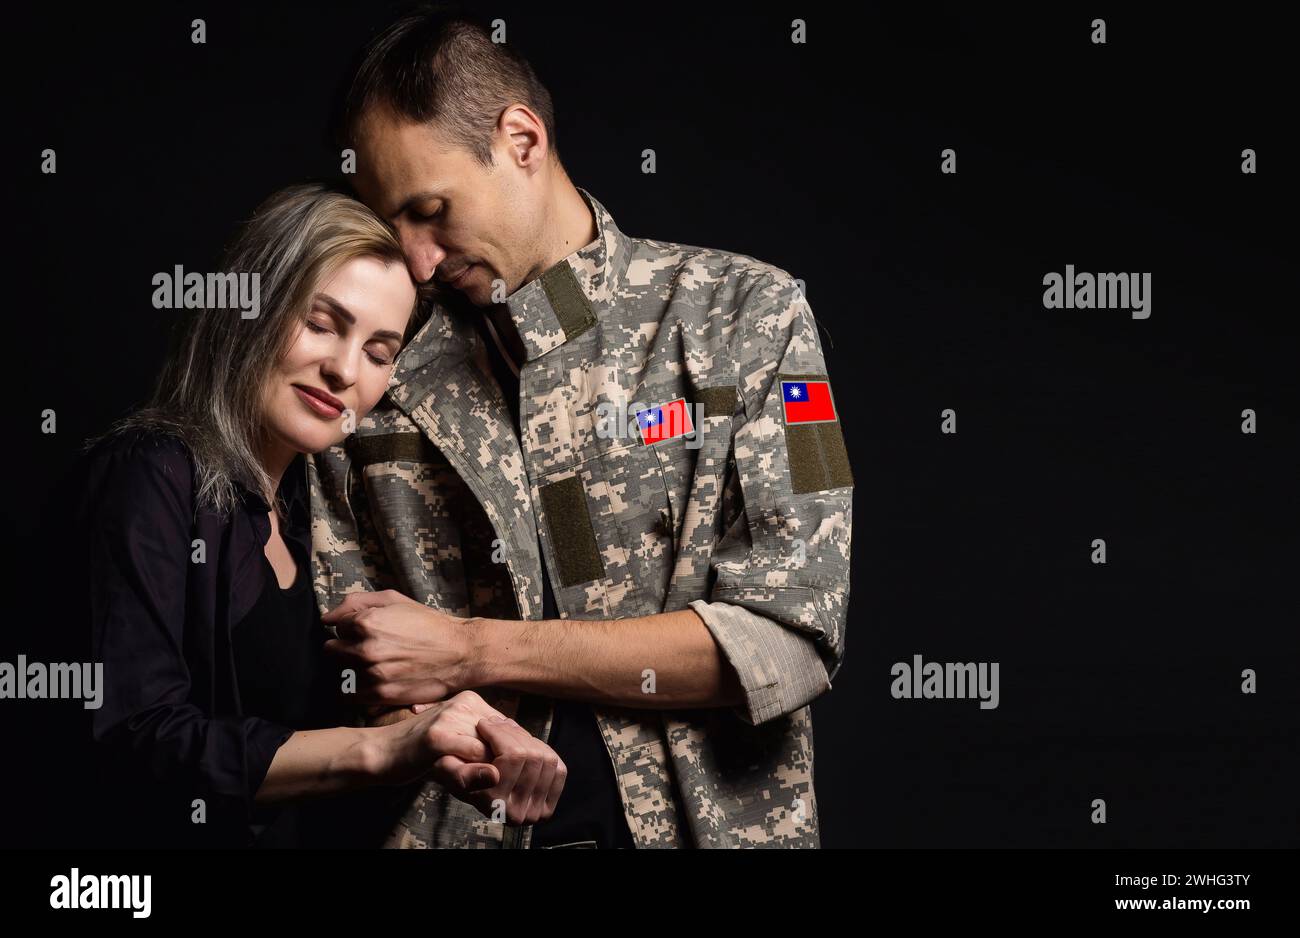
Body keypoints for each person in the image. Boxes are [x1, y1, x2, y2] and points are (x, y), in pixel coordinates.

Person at [309, 11, 854, 848]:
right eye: (395, 228)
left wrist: (470, 650)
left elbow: (791, 641)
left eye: (431, 209)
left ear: (522, 139)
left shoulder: (755, 316)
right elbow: (359, 663)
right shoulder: (367, 371)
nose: (416, 262)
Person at [79, 183, 565, 847]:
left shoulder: (305, 507)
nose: (343, 371)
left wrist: (443, 729)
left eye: (378, 352)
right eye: (322, 323)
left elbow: (293, 749)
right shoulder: (152, 471)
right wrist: (383, 752)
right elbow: (135, 738)